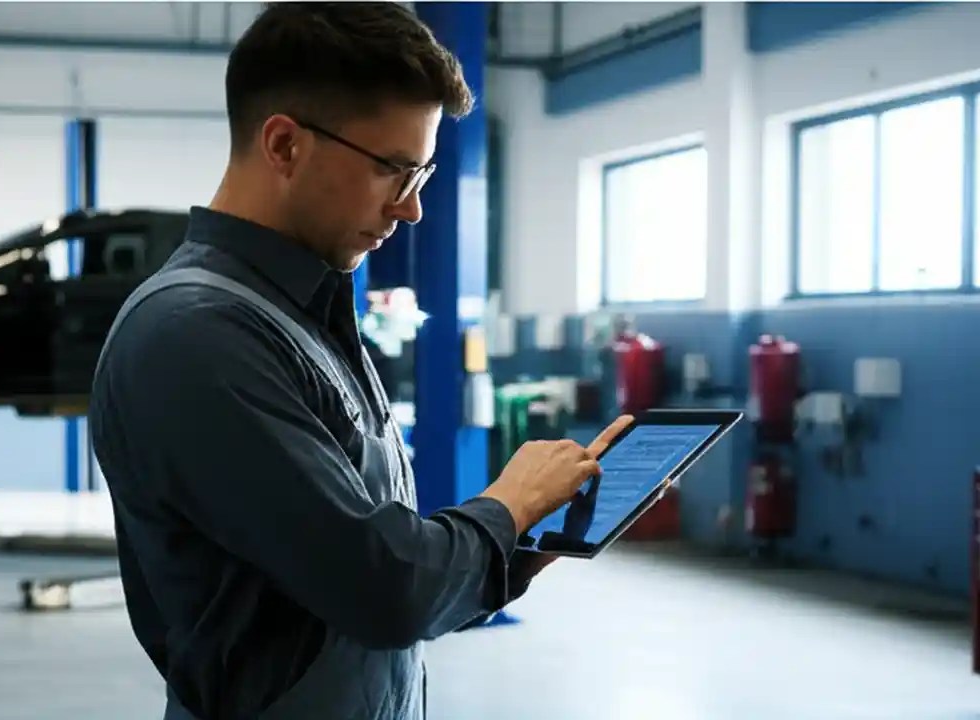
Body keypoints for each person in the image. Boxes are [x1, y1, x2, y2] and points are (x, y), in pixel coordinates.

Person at [88, 4, 632, 719]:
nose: (410, 211)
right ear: (284, 145)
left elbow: (356, 573)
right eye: (395, 172)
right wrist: (508, 506)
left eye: (423, 176)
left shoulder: (302, 315)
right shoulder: (194, 335)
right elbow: (384, 591)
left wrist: (525, 548)